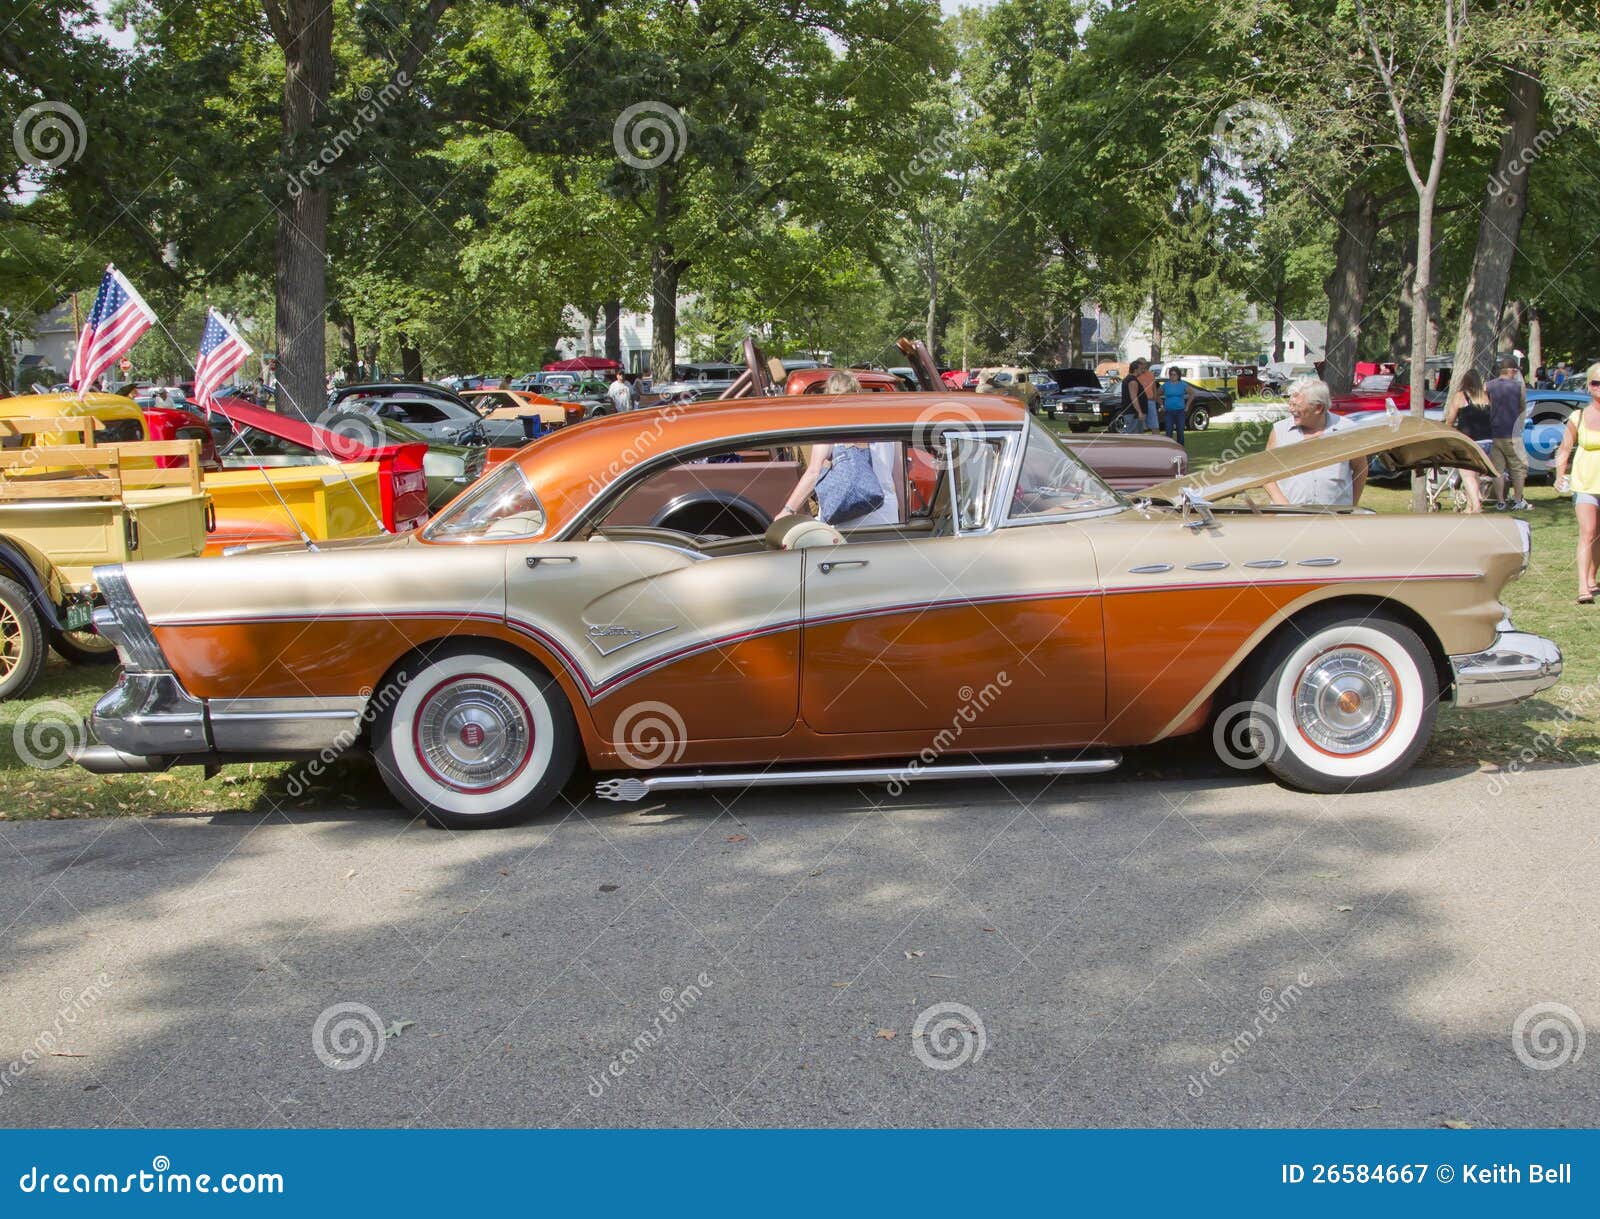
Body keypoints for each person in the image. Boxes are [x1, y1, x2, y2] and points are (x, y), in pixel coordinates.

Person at [780, 370, 899, 526]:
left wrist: (788, 510)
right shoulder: (886, 425)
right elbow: (898, 478)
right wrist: (901, 517)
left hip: (845, 518)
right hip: (885, 516)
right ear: (858, 392)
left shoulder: (830, 427)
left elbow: (814, 472)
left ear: (828, 396)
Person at [1263, 375, 1367, 507]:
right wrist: (1282, 505)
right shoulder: (1279, 431)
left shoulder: (1347, 429)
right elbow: (1265, 473)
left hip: (1335, 519)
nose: (1291, 409)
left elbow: (1361, 468)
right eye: (1290, 404)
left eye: (1297, 405)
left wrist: (1352, 505)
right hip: (1289, 518)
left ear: (1319, 408)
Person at [1552, 361, 1600, 604]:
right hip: (1585, 481)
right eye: (1595, 383)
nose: (1599, 387)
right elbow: (1565, 447)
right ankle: (1583, 586)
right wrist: (1560, 475)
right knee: (1588, 532)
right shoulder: (1578, 416)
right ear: (1589, 386)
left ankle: (1592, 578)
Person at [1444, 368, 1492, 513]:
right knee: (1475, 474)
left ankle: (1476, 506)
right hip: (1489, 441)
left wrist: (1448, 431)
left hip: (1470, 442)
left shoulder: (1460, 396)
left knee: (1467, 475)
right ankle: (1469, 506)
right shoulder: (1487, 396)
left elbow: (1450, 420)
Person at [1486, 358, 1530, 510]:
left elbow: (1487, 407)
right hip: (1513, 434)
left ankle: (1500, 501)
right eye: (1515, 371)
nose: (1515, 374)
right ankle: (1518, 500)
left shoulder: (1489, 386)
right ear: (1511, 370)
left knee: (1497, 469)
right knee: (1519, 467)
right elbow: (1522, 407)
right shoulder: (1518, 387)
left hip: (1495, 433)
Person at [1159, 366, 1194, 444]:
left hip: (1180, 411)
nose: (1172, 376)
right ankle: (1169, 448)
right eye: (1171, 374)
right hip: (1168, 411)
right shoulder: (1166, 385)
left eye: (1174, 374)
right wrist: (1162, 405)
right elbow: (1157, 395)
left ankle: (1180, 448)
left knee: (1180, 431)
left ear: (1178, 375)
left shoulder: (1183, 384)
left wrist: (1187, 405)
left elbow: (1192, 394)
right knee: (1168, 431)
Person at [1119, 359, 1150, 432]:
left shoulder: (1129, 379)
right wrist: (1140, 412)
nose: (1142, 371)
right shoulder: (1132, 380)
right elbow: (1134, 397)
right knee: (1133, 434)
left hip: (1131, 413)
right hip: (1133, 414)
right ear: (1135, 370)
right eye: (1141, 369)